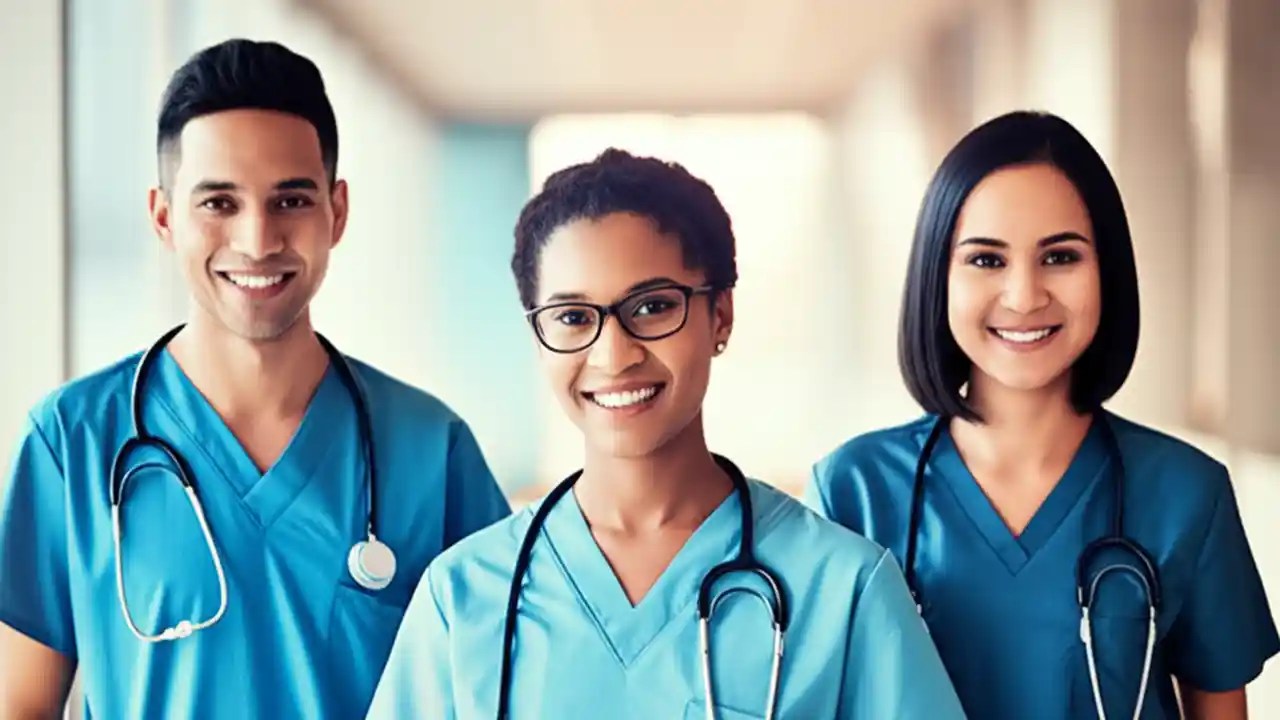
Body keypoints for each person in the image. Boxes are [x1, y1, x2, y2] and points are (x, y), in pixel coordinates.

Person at [0, 39, 510, 719]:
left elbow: (496, 691)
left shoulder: (430, 450)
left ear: (337, 212)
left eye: (290, 200)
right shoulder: (71, 441)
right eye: (218, 203)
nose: (258, 239)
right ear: (163, 217)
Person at [366, 148, 965, 719]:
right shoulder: (463, 597)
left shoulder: (843, 590)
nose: (613, 354)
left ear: (720, 315)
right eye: (573, 318)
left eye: (652, 307)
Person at [807, 110, 1279, 719]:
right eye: (986, 260)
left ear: (1107, 271)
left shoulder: (1187, 493)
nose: (1025, 296)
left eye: (1060, 257)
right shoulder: (854, 491)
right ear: (936, 276)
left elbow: (1219, 705)